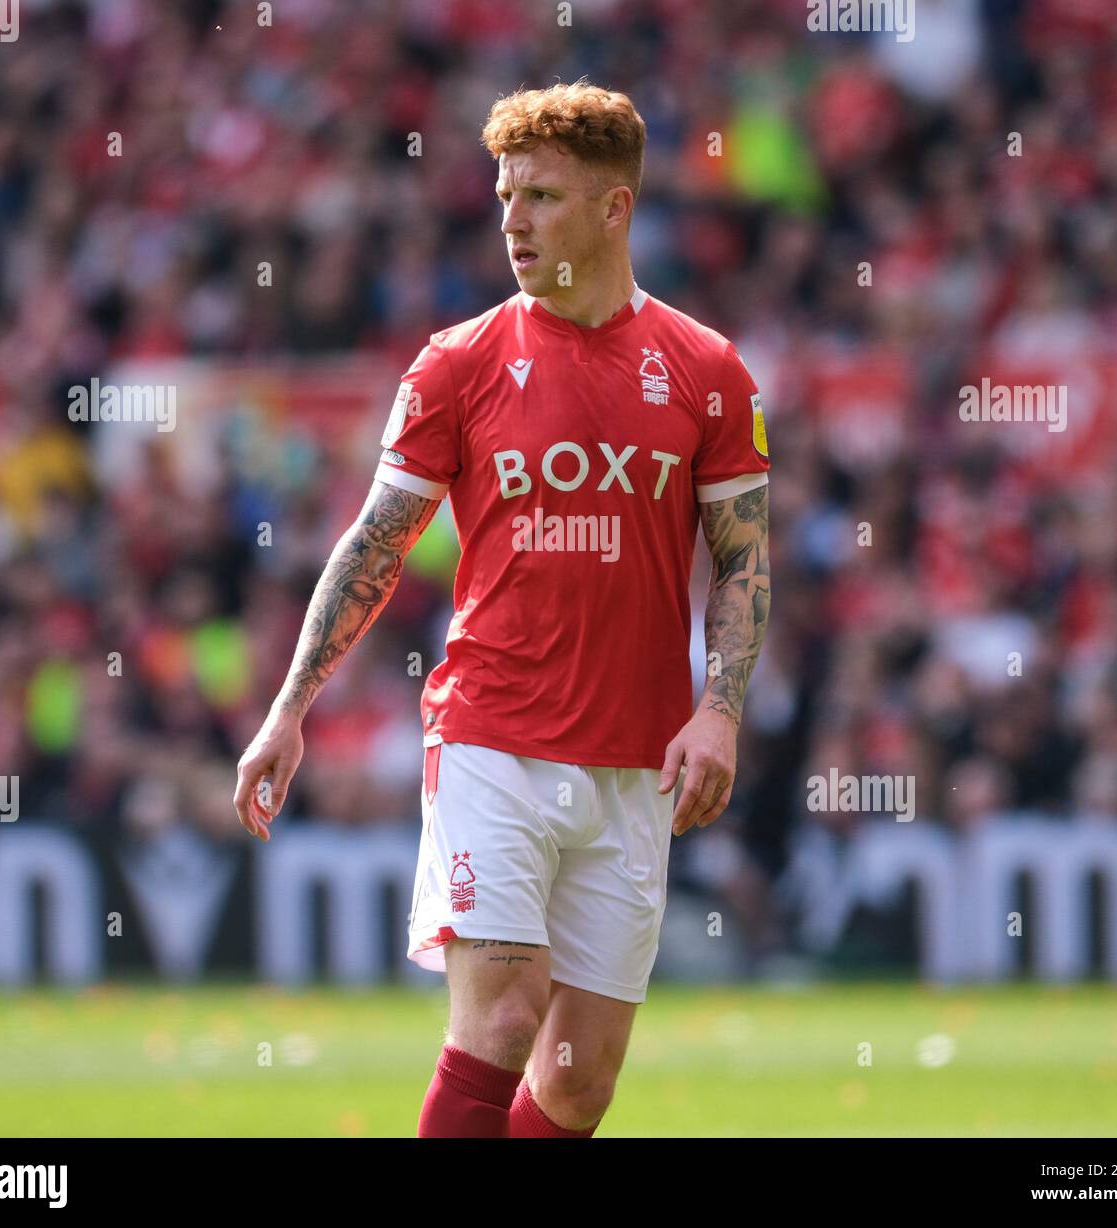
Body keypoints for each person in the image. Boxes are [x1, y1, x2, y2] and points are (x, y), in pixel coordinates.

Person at [233, 81, 771, 1138]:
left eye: (541, 195)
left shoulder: (707, 371)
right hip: (492, 735)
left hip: (633, 756)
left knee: (577, 1081)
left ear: (614, 209)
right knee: (506, 1014)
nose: (512, 220)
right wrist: (289, 704)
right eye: (504, 194)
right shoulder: (458, 363)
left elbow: (744, 560)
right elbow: (375, 544)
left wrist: (721, 710)